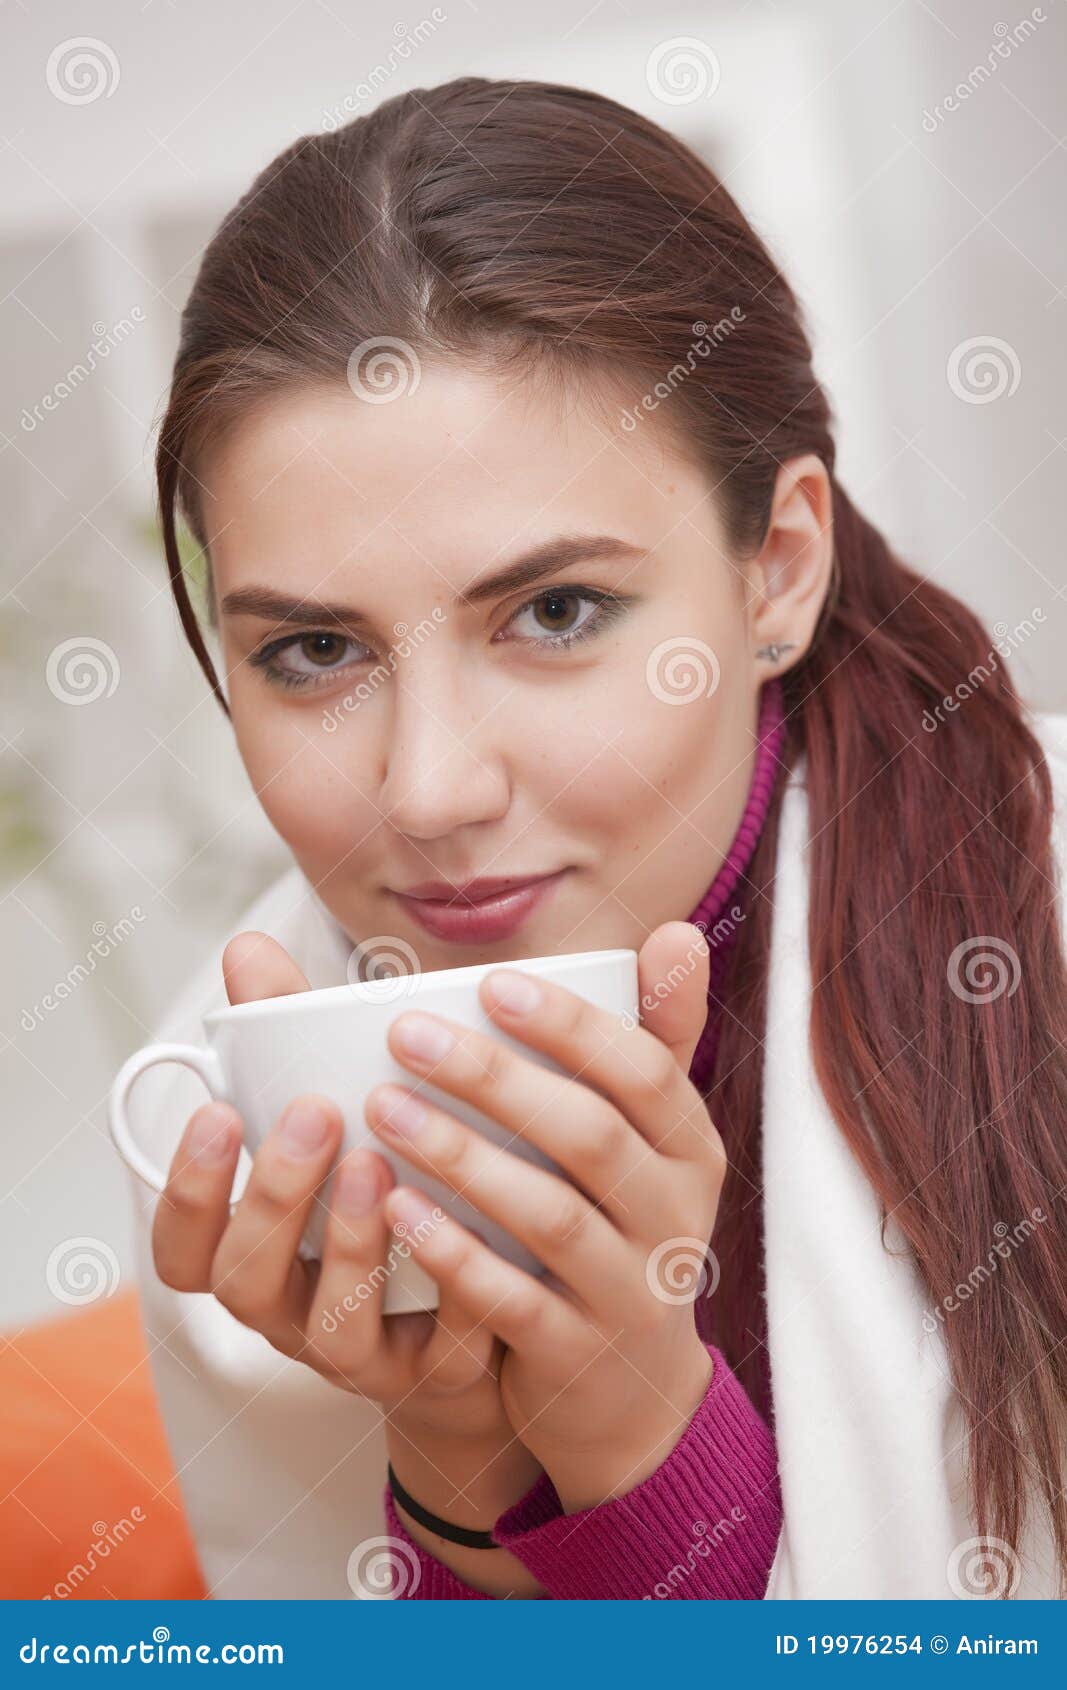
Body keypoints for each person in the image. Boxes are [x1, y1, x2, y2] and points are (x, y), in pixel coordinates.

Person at [122, 76, 1066, 1600]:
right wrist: (456, 1467)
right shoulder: (229, 1124)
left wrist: (638, 1437)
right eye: (314, 650)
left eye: (556, 611)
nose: (430, 790)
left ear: (777, 565)